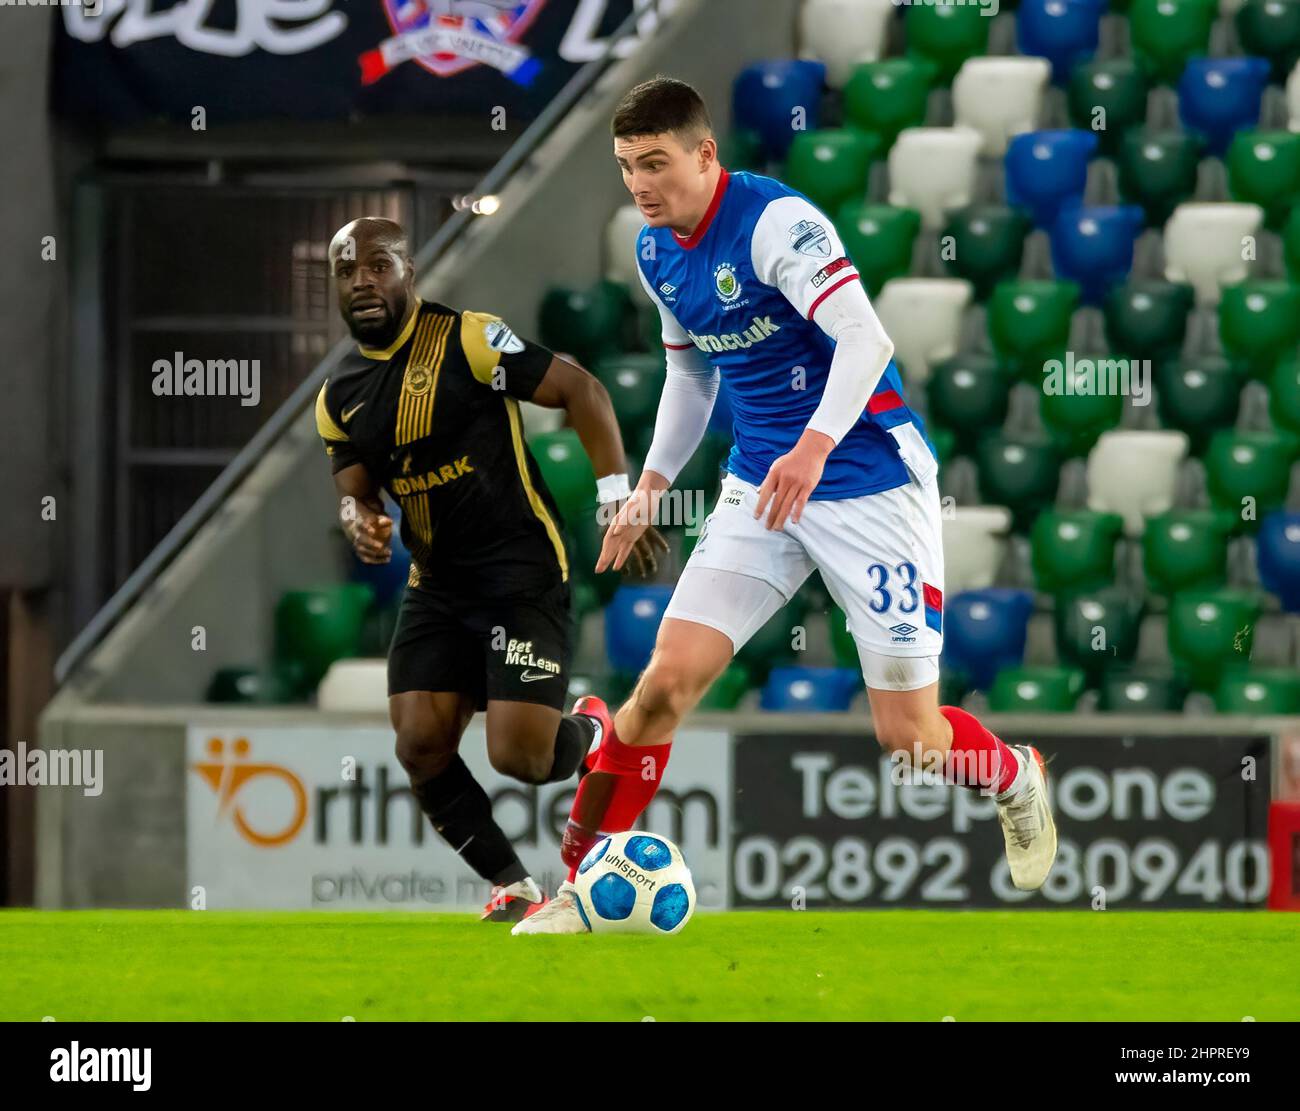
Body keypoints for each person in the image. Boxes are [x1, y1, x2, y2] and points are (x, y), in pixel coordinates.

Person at [514, 78, 1056, 934]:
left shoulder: (774, 223)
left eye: (655, 164)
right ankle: (582, 890)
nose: (640, 186)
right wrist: (651, 486)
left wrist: (815, 445)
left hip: (866, 479)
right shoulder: (656, 250)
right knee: (660, 686)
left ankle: (1014, 776)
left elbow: (865, 338)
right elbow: (691, 375)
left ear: (704, 154)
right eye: (625, 168)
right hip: (760, 486)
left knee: (909, 735)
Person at [315, 216, 665, 922]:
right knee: (418, 741)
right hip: (438, 583)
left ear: (409, 270)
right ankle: (515, 884)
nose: (364, 282)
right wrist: (363, 524)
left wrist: (614, 498)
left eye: (378, 265)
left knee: (522, 759)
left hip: (518, 568)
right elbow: (354, 493)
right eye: (348, 271)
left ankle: (592, 730)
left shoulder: (467, 339)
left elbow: (583, 391)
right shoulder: (337, 398)